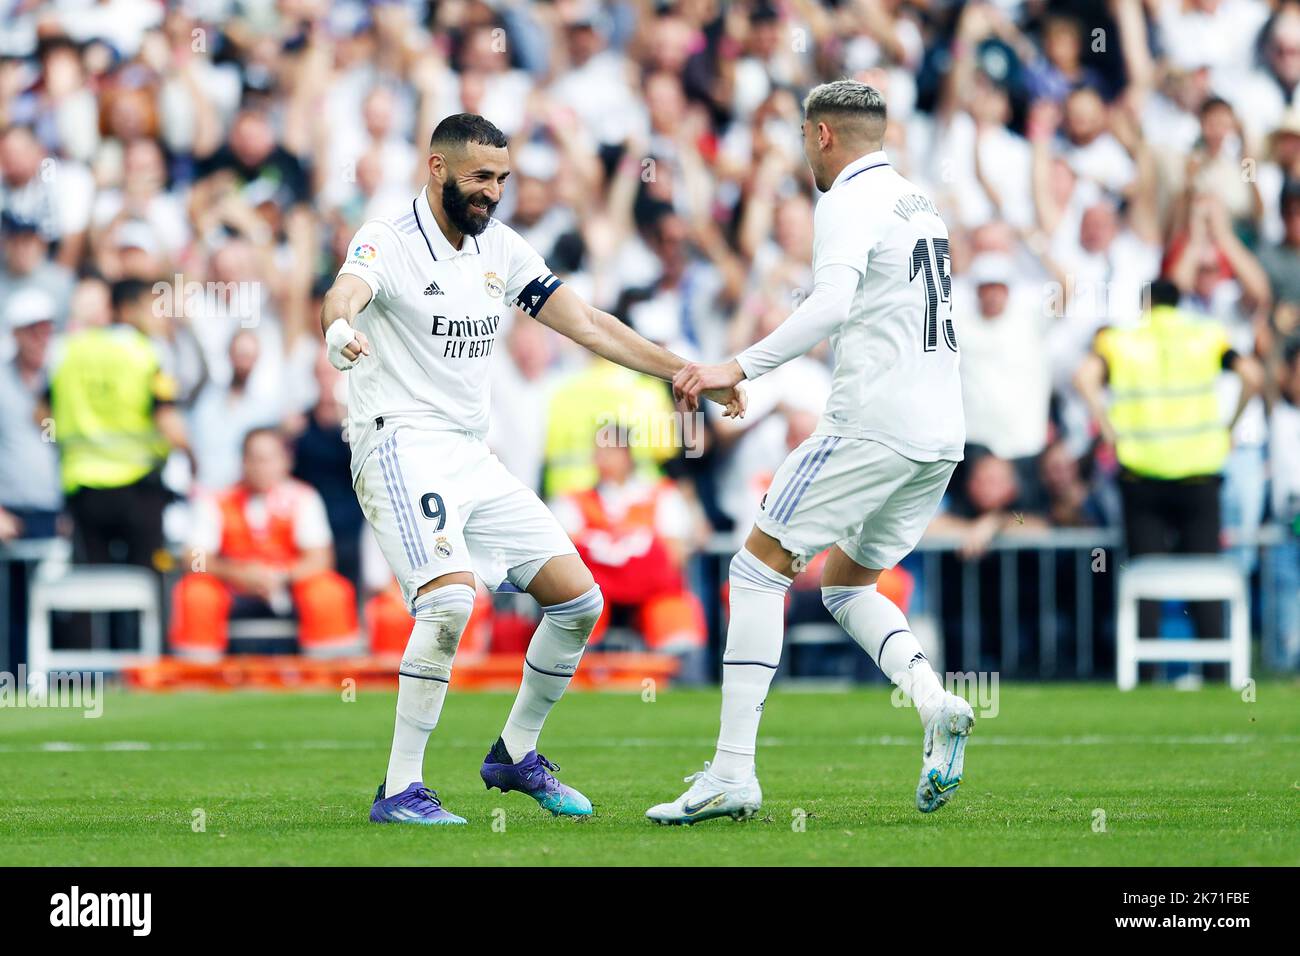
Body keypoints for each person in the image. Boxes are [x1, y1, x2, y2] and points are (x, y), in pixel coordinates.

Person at [319, 113, 743, 825]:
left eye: (502, 179)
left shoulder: (502, 248)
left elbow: (590, 324)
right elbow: (345, 293)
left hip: (470, 451)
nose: (493, 192)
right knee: (449, 603)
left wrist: (686, 371)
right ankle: (399, 789)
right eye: (480, 178)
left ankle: (515, 753)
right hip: (399, 442)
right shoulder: (387, 239)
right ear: (436, 168)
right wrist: (338, 328)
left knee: (579, 602)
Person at [654, 80, 973, 825]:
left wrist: (736, 367)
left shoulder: (847, 200)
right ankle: (934, 701)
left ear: (822, 135)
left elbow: (829, 306)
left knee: (755, 569)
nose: (805, 152)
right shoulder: (919, 202)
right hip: (938, 434)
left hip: (872, 423)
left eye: (804, 138)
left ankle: (732, 772)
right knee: (845, 585)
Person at [1074, 279, 1264, 647]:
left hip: (1141, 475)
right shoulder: (1207, 335)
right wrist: (1229, 427)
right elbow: (1253, 376)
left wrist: (1108, 429)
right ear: (1180, 303)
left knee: (1145, 582)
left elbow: (1083, 378)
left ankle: (1143, 671)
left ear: (1146, 304)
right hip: (1199, 475)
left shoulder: (1120, 340)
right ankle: (1215, 669)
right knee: (1206, 581)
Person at [169, 428, 358, 658]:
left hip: (287, 585)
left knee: (329, 593)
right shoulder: (216, 500)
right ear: (243, 462)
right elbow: (194, 560)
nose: (261, 467)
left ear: (286, 461)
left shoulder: (303, 498)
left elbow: (320, 559)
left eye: (269, 459)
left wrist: (279, 576)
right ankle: (197, 672)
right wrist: (236, 574)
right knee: (195, 593)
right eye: (255, 459)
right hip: (230, 587)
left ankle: (331, 671)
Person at [44, 278, 192, 570]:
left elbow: (42, 412)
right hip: (139, 485)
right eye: (156, 309)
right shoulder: (149, 351)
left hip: (83, 487)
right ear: (126, 310)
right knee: (146, 580)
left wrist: (61, 440)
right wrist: (192, 455)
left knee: (92, 582)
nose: (163, 318)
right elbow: (167, 418)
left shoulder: (68, 349)